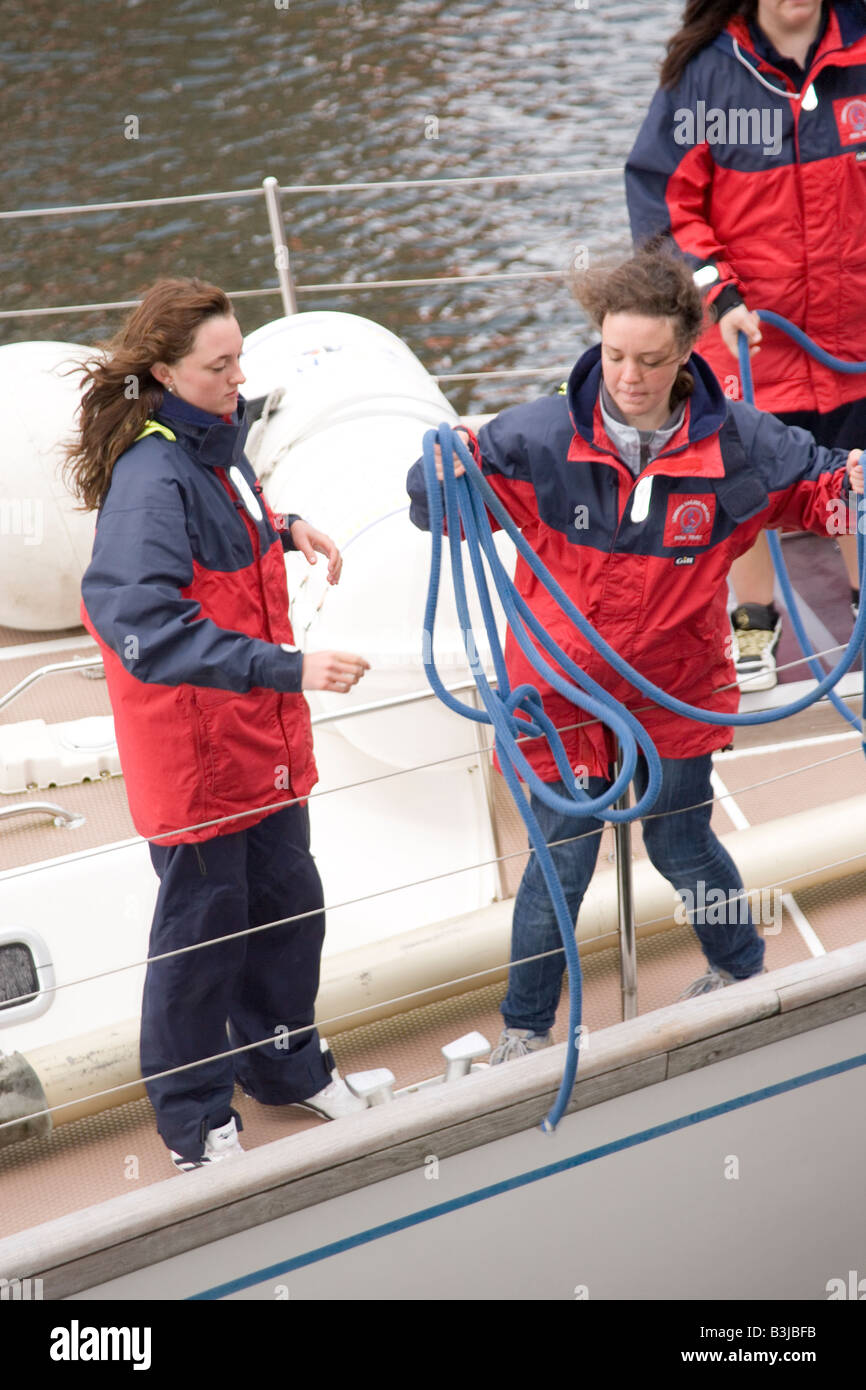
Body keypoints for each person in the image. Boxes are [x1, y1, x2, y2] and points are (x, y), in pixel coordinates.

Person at [406, 248, 862, 1063]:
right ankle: (525, 1028)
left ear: (688, 353)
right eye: (615, 356)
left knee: (681, 844)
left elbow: (823, 488)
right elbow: (436, 508)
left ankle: (741, 969)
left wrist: (852, 486)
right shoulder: (538, 438)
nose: (629, 377)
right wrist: (437, 470)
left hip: (675, 691)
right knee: (561, 860)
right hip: (561, 694)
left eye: (651, 361)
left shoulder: (740, 446)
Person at [66, 278, 371, 1169]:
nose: (240, 377)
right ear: (164, 372)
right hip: (200, 759)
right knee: (201, 941)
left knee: (289, 912)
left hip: (258, 749)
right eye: (219, 364)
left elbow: (227, 527)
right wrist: (290, 667)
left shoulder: (218, 451)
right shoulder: (151, 475)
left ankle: (283, 1067)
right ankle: (196, 1122)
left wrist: (286, 527)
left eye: (240, 358)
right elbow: (142, 624)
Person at [626, 0, 866, 691]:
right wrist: (716, 296)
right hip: (745, 342)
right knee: (744, 490)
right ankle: (755, 623)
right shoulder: (705, 78)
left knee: (852, 478)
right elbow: (665, 206)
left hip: (852, 344)